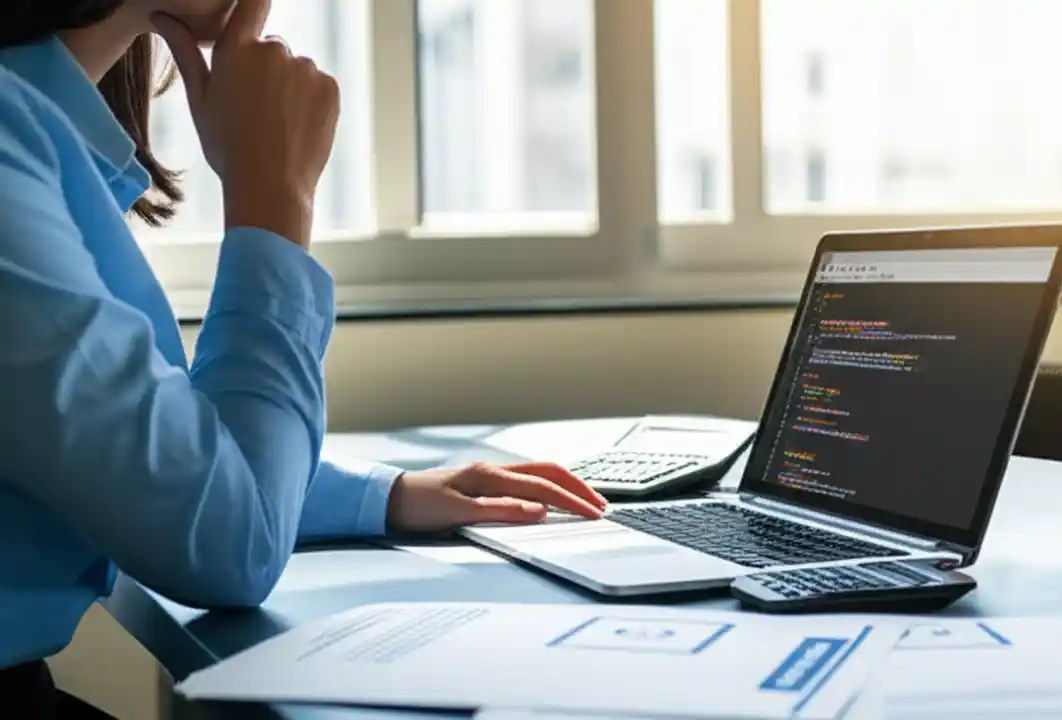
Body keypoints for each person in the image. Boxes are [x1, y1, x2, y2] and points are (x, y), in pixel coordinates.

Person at [0, 0, 608, 716]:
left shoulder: (35, 127)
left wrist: (384, 496)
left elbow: (139, 455)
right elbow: (229, 547)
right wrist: (275, 195)